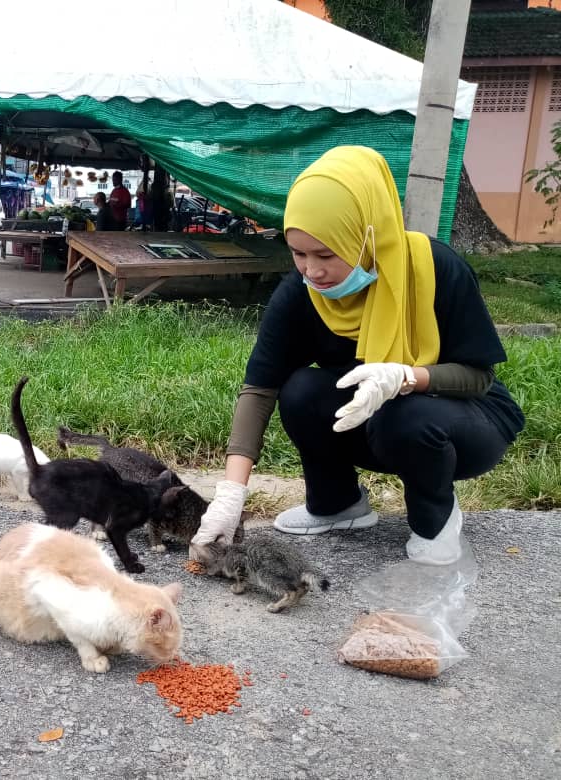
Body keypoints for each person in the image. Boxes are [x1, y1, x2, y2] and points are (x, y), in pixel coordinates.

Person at [190, 146, 524, 567]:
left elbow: (478, 377)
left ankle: (435, 520)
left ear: (366, 235)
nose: (312, 270)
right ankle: (338, 505)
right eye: (299, 253)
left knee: (405, 415)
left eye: (327, 254)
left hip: (462, 423)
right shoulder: (301, 293)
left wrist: (406, 378)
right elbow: (260, 387)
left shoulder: (437, 269)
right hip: (370, 425)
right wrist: (230, 495)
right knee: (301, 390)